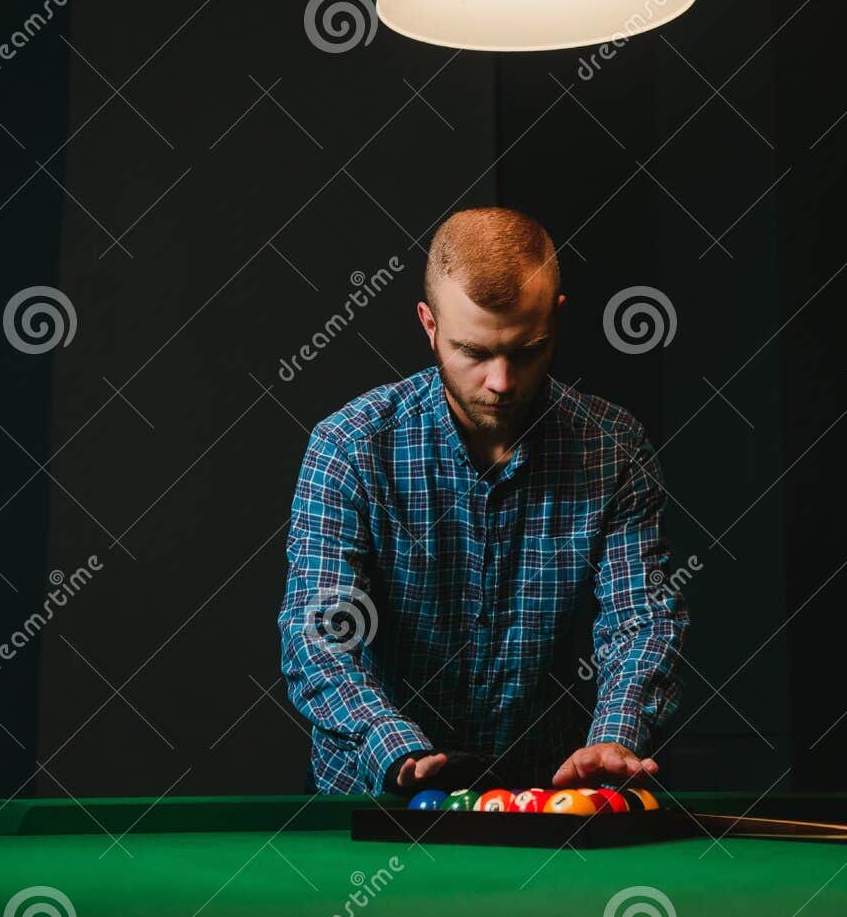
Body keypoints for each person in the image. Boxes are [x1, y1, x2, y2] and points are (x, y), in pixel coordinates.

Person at [278, 206, 688, 795]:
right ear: (429, 326)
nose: (500, 381)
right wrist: (393, 746)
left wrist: (615, 735)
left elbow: (640, 618)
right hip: (379, 805)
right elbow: (319, 632)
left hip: (543, 801)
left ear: (557, 318)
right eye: (473, 352)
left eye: (526, 350)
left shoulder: (614, 449)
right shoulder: (348, 447)